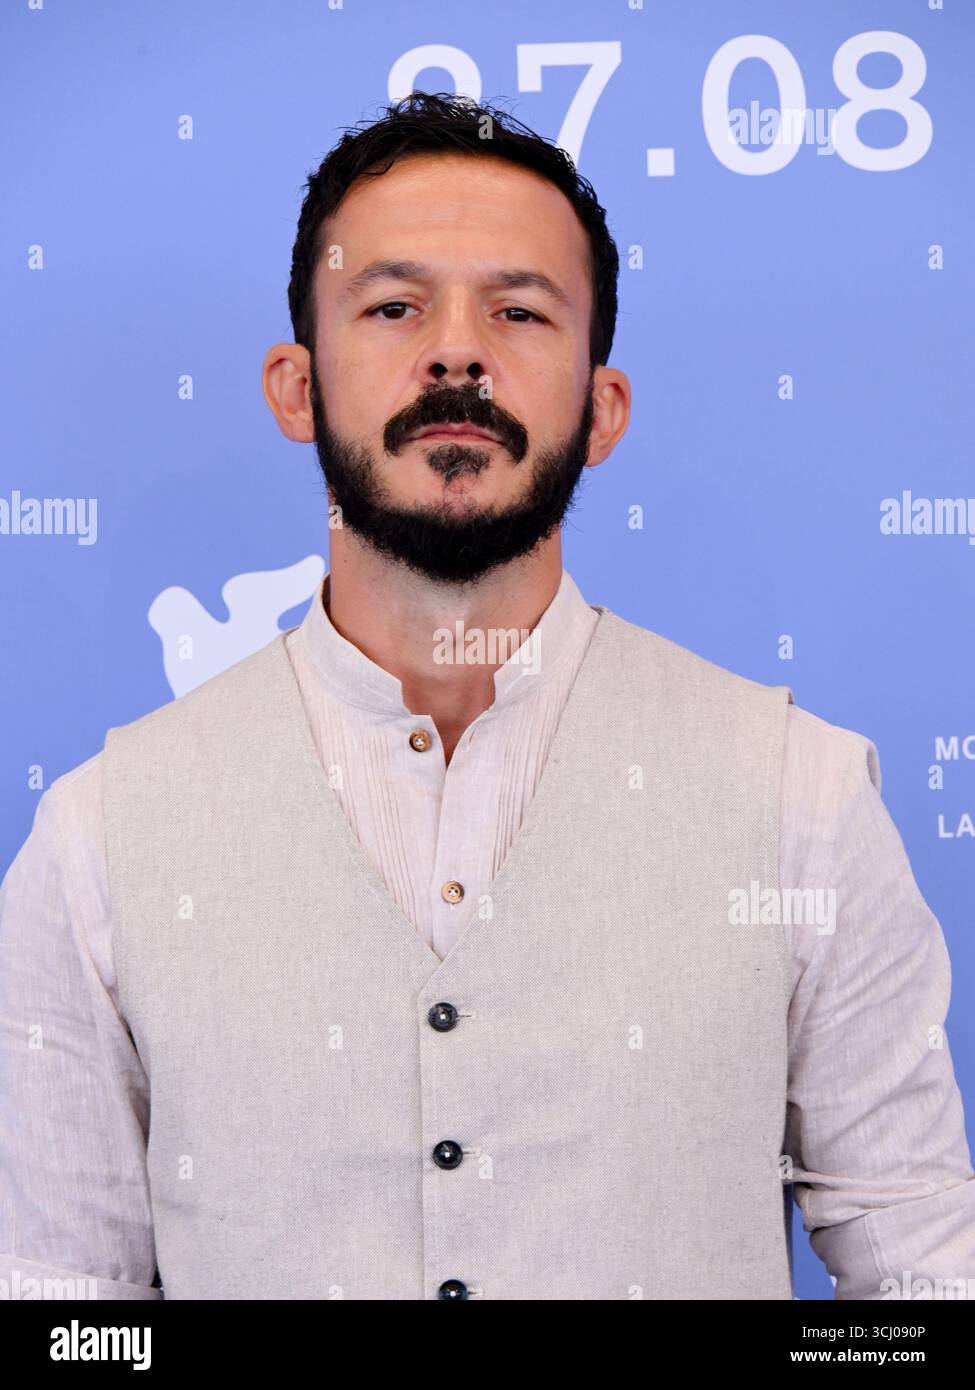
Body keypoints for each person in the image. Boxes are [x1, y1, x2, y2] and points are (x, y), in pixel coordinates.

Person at [1, 92, 972, 1302]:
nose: (456, 354)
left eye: (517, 311)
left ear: (600, 408)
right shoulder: (99, 840)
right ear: (295, 387)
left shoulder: (802, 797)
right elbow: (63, 1320)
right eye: (395, 306)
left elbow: (927, 1292)